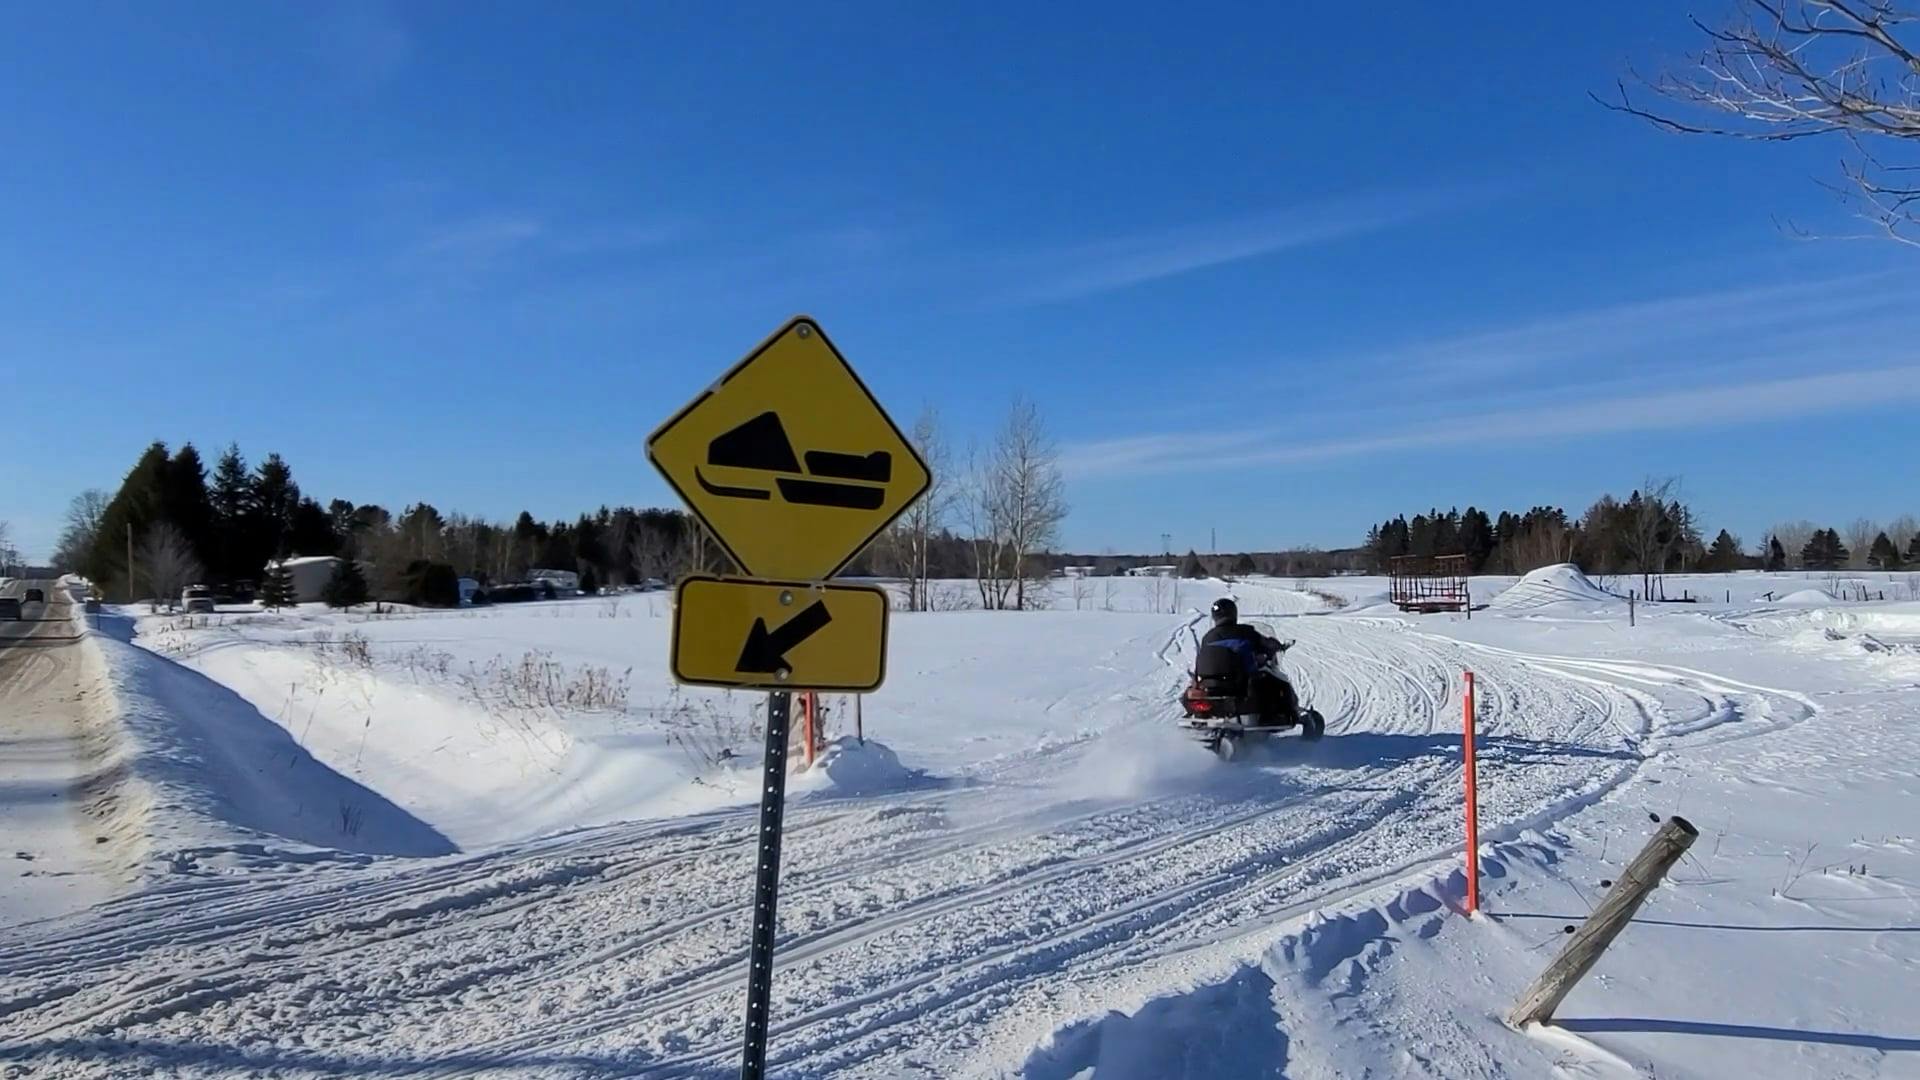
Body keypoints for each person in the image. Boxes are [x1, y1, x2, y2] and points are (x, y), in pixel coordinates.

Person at [1198, 597, 1296, 723]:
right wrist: (1278, 646)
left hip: (1209, 686)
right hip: (1240, 684)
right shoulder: (1246, 632)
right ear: (1233, 613)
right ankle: (1281, 717)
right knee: (1276, 682)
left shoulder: (1207, 637)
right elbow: (1267, 644)